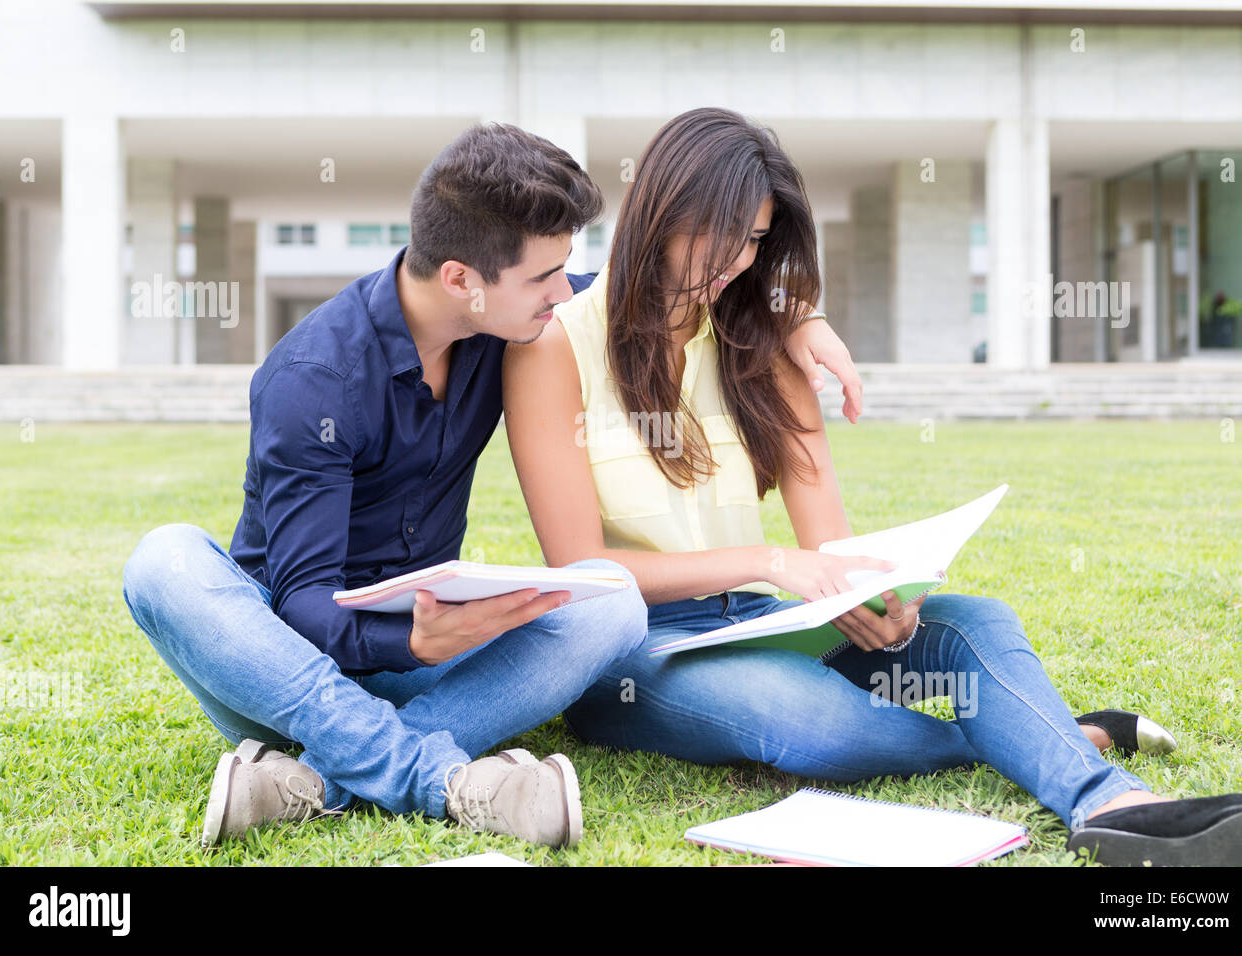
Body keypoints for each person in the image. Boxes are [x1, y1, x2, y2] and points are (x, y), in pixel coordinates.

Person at [501, 106, 1242, 865]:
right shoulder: (555, 346)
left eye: (757, 240)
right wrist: (768, 563)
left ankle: (1110, 802)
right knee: (814, 724)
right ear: (660, 209)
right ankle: (1057, 734)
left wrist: (877, 602)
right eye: (722, 232)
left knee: (972, 624)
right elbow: (584, 572)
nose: (736, 259)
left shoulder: (764, 345)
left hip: (767, 628)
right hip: (635, 651)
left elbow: (828, 548)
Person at [121, 120, 867, 850]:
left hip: (446, 676)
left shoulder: (505, 324)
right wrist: (404, 637)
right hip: (291, 682)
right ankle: (440, 778)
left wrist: (795, 316)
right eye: (545, 278)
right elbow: (302, 602)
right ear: (461, 281)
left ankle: (314, 783)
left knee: (604, 597)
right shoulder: (313, 380)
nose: (563, 295)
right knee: (165, 558)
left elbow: (641, 291)